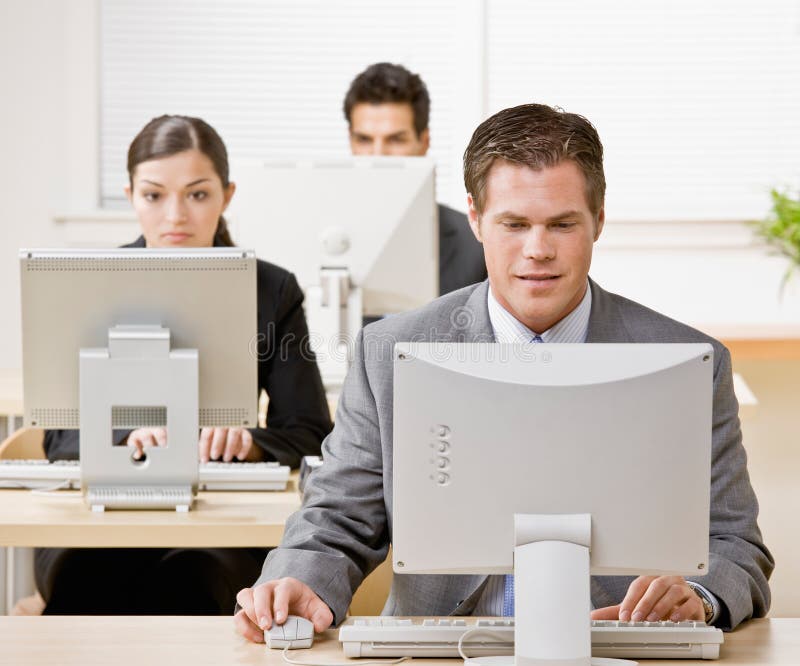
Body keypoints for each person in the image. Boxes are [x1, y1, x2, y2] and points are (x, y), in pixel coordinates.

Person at [234, 103, 773, 640]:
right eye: (514, 224)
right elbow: (336, 520)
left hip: (614, 648)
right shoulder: (389, 351)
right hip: (438, 649)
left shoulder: (689, 361)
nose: (537, 250)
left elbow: (736, 545)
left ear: (599, 219)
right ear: (475, 219)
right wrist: (295, 580)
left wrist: (698, 600)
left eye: (562, 224)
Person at [36, 114, 333, 615]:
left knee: (192, 582)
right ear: (131, 195)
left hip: (220, 520)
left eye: (197, 194)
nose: (175, 215)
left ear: (226, 196)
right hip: (102, 519)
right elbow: (60, 436)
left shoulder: (271, 289)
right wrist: (125, 440)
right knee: (88, 581)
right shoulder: (85, 282)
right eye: (154, 195)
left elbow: (310, 431)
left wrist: (250, 443)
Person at [344, 62, 487, 295]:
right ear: (350, 141)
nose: (378, 156)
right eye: (364, 140)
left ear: (424, 142)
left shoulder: (475, 244)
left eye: (396, 140)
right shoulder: (322, 236)